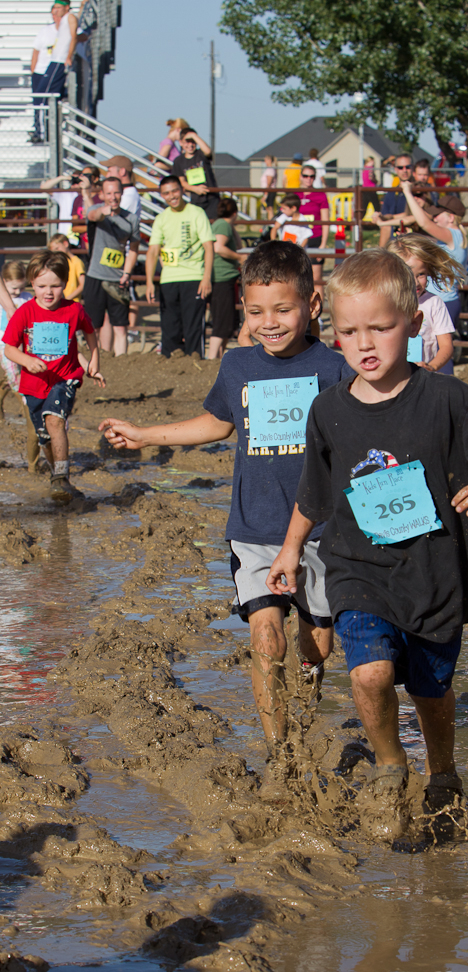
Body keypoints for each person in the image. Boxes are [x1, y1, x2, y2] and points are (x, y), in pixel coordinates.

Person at [266, 249, 468, 841]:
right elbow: (314, 494)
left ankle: (443, 773)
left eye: (381, 327)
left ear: (413, 322)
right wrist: (289, 551)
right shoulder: (328, 410)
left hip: (434, 572)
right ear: (333, 330)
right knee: (369, 674)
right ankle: (390, 765)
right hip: (359, 568)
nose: (365, 344)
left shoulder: (447, 399)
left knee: (431, 690)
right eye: (349, 331)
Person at [99, 242, 351, 798]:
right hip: (254, 529)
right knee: (266, 637)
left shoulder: (335, 367)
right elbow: (215, 423)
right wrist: (144, 435)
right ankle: (280, 753)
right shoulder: (237, 365)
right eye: (256, 311)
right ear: (243, 308)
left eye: (283, 309)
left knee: (317, 643)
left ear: (312, 306)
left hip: (321, 532)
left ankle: (307, 700)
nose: (269, 322)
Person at [2, 250, 101, 505]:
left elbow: (90, 332)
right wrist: (26, 361)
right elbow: (9, 348)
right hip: (33, 385)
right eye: (42, 286)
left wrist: (94, 361)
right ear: (32, 284)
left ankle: (61, 476)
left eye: (55, 286)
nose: (48, 292)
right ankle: (58, 476)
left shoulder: (74, 310)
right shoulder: (25, 312)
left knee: (55, 420)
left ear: (65, 283)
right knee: (44, 436)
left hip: (64, 378)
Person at [145, 176, 214, 359]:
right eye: (166, 193)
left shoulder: (196, 213)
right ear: (162, 195)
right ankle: (170, 363)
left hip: (194, 277)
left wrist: (206, 278)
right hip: (169, 279)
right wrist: (149, 282)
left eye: (175, 191)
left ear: (182, 190)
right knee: (170, 327)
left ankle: (194, 361)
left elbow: (208, 246)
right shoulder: (161, 218)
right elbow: (153, 251)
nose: (172, 196)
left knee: (193, 326)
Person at [387, 234, 461, 374]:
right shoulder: (385, 303)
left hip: (422, 377)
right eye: (408, 276)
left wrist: (431, 367)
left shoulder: (434, 303)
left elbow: (446, 346)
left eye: (421, 274)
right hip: (392, 376)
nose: (415, 282)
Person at [84, 176, 139, 356]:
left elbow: (134, 249)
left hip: (117, 280)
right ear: (102, 194)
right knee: (93, 326)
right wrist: (105, 211)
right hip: (95, 276)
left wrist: (127, 273)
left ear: (122, 193)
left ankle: (121, 362)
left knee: (120, 327)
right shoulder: (96, 211)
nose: (113, 197)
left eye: (116, 192)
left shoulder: (131, 219)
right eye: (108, 193)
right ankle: (93, 361)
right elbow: (93, 216)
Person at [400, 187, 468, 327]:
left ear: (451, 218)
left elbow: (424, 223)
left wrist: (407, 191)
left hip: (443, 302)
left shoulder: (452, 235)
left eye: (438, 215)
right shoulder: (454, 237)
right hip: (446, 301)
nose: (434, 218)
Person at [0, 262, 40, 472]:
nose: (17, 292)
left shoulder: (26, 299)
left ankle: (20, 390)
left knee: (22, 367)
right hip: (3, 343)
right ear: (4, 282)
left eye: (21, 287)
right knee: (11, 371)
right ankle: (20, 392)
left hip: (21, 343)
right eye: (13, 288)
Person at [33, 1, 78, 132]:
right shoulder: (62, 20)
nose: (55, 10)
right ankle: (41, 129)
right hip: (54, 60)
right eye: (54, 7)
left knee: (42, 95)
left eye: (59, 7)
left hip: (59, 61)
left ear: (67, 7)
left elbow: (74, 36)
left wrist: (68, 56)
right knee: (44, 96)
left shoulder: (70, 17)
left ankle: (41, 130)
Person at [209, 197, 244, 360]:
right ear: (235, 212)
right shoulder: (223, 225)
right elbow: (218, 247)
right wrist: (239, 257)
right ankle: (212, 358)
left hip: (224, 278)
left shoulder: (223, 225)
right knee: (222, 322)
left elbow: (238, 244)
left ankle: (217, 358)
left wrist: (232, 226)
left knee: (226, 322)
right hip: (222, 278)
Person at [172, 129, 220, 221]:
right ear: (181, 143)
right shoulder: (178, 161)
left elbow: (208, 151)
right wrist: (195, 189)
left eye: (193, 141)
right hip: (196, 200)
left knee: (213, 224)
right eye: (187, 142)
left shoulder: (201, 154)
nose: (190, 145)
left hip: (212, 198)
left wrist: (194, 136)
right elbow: (181, 182)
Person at [29, 5, 59, 144]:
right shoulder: (45, 31)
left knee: (49, 103)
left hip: (54, 71)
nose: (55, 16)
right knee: (38, 103)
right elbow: (36, 51)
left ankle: (49, 133)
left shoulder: (67, 30)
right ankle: (38, 131)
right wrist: (33, 70)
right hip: (40, 72)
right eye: (53, 14)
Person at [297, 165, 330, 288]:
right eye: (305, 176)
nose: (308, 179)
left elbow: (325, 220)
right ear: (301, 176)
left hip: (315, 236)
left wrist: (323, 245)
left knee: (316, 278)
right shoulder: (295, 194)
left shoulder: (320, 195)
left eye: (311, 176)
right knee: (297, 278)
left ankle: (318, 301)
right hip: (299, 239)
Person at [374, 155, 413, 247]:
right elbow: (386, 215)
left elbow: (415, 216)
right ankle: (381, 255)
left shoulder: (419, 190)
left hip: (414, 232)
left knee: (386, 225)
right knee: (386, 226)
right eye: (400, 168)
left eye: (408, 167)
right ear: (395, 169)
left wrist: (390, 218)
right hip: (395, 233)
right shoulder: (391, 192)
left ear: (413, 168)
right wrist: (379, 216)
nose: (404, 170)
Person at [70, 166, 102, 252]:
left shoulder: (101, 198)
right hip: (83, 246)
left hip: (99, 244)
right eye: (82, 175)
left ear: (95, 179)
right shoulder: (78, 199)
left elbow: (101, 225)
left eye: (87, 175)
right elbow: (74, 227)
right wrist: (91, 227)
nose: (83, 178)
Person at [48, 234, 85, 301]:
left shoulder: (76, 262)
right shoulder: (59, 263)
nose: (56, 252)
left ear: (65, 244)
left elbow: (82, 285)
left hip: (72, 302)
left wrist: (67, 298)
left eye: (57, 248)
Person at [260, 155, 278, 220]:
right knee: (268, 208)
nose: (265, 162)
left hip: (269, 191)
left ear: (269, 160)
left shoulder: (270, 170)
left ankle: (271, 222)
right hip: (268, 191)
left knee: (270, 208)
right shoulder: (269, 169)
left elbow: (269, 183)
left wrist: (265, 194)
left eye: (265, 160)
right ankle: (270, 221)